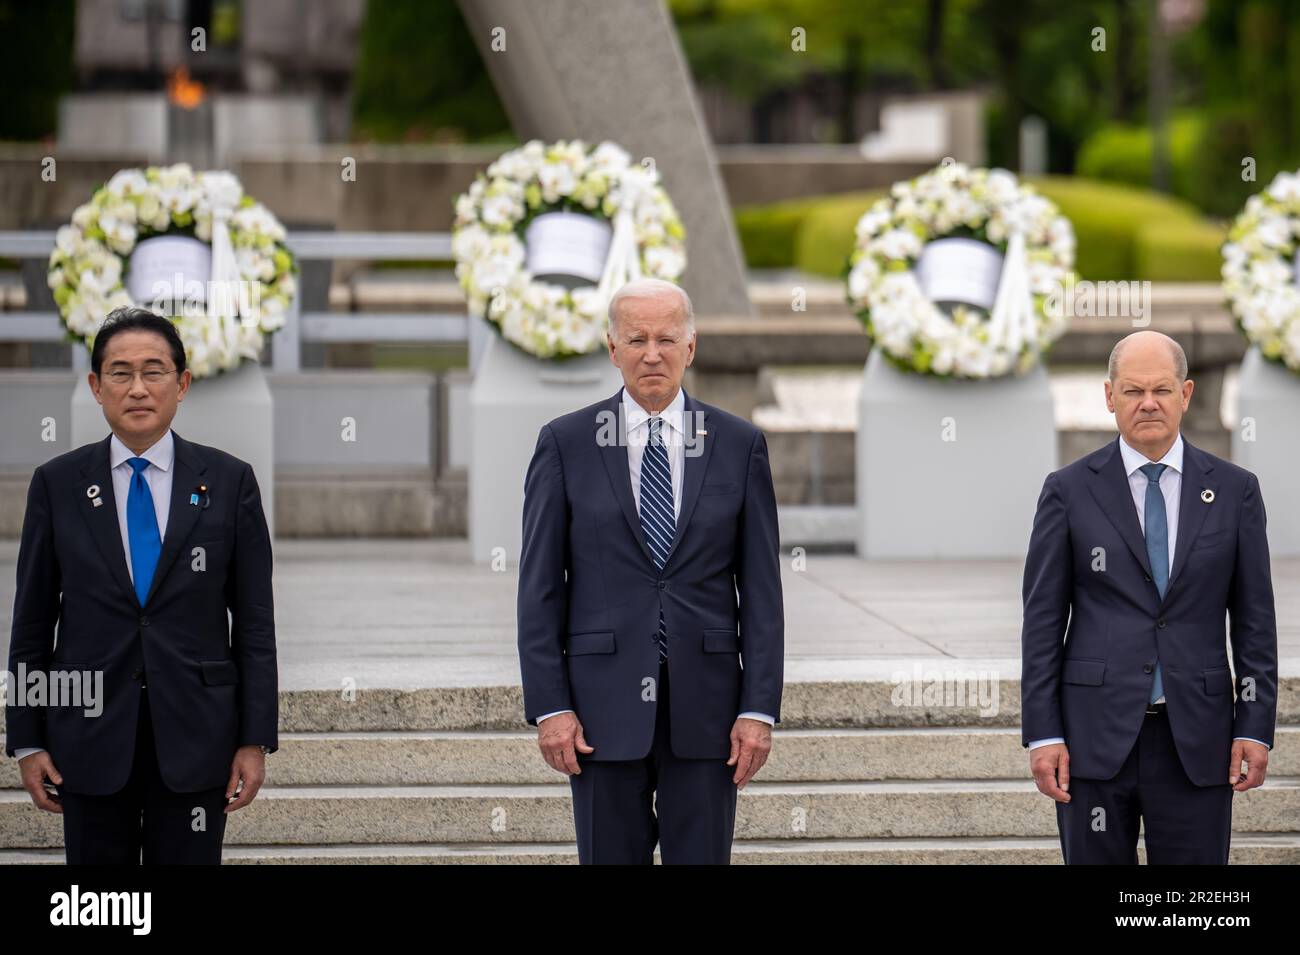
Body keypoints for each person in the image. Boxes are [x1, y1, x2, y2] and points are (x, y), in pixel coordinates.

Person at [516, 278, 784, 864]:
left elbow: (762, 591)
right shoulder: (566, 444)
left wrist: (757, 708)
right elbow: (538, 590)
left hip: (709, 712)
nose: (652, 354)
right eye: (636, 339)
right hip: (597, 712)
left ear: (692, 347)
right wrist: (550, 705)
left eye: (667, 338)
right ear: (612, 348)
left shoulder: (739, 445)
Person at [4, 306, 279, 864]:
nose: (137, 388)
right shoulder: (57, 485)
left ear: (181, 384)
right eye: (120, 373)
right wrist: (28, 739)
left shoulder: (229, 482)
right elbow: (32, 622)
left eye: (153, 371)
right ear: (96, 386)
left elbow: (253, 623)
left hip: (198, 735)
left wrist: (255, 738)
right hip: (87, 738)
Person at [1021, 329, 1277, 864]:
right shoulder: (1068, 490)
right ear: (1109, 396)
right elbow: (1043, 622)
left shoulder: (1235, 490)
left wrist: (1255, 726)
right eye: (1133, 391)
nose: (1148, 404)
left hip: (1198, 742)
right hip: (1093, 739)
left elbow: (1255, 622)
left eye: (1161, 390)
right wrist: (1042, 733)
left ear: (1186, 395)